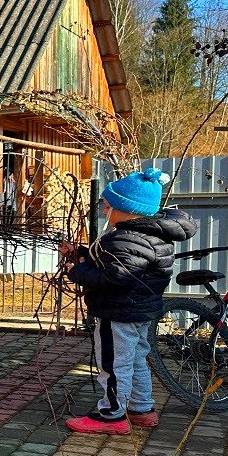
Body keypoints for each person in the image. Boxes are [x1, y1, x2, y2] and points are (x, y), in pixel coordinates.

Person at [61, 168, 197, 435]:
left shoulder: (126, 238)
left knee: (113, 364)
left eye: (108, 206)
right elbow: (117, 261)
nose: (104, 212)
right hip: (140, 310)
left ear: (127, 209)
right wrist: (81, 252)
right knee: (136, 359)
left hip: (119, 312)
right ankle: (141, 409)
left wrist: (76, 271)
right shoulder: (149, 235)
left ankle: (111, 415)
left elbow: (115, 277)